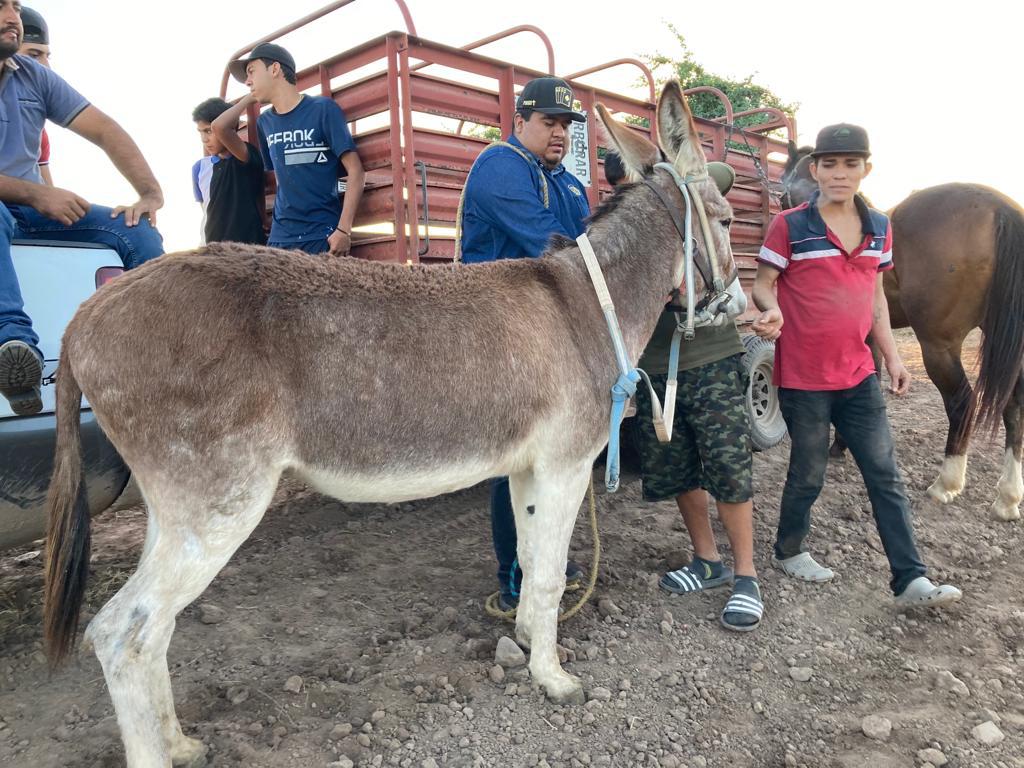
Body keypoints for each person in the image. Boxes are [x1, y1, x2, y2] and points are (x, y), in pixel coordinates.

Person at [751, 122, 961, 608]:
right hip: (804, 377)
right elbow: (764, 283)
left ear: (866, 169)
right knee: (809, 470)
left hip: (858, 374)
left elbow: (876, 300)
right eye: (830, 164)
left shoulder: (880, 227)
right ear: (815, 169)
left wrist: (891, 355)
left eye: (850, 164)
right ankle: (789, 549)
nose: (839, 173)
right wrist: (772, 307)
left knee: (884, 474)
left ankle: (910, 579)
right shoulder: (791, 226)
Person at [609, 152, 764, 631]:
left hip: (713, 361)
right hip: (656, 369)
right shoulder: (624, 238)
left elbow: (721, 176)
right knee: (678, 470)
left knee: (728, 466)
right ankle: (706, 561)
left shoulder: (689, 211)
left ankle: (746, 576)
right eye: (624, 187)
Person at [459, 76, 592, 610]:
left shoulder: (566, 182)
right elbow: (560, 249)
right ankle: (516, 574)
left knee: (551, 452)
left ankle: (543, 557)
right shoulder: (500, 166)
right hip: (495, 329)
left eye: (565, 125)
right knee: (516, 454)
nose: (558, 133)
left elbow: (590, 245)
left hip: (544, 331)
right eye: (548, 122)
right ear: (519, 123)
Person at [0, 0, 164, 417]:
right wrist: (37, 193)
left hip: (26, 213)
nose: (11, 17)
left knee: (134, 230)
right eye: (0, 6)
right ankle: (13, 349)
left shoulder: (33, 77)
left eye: (14, 6)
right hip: (14, 206)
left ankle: (159, 358)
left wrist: (148, 193)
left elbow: (105, 130)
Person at [219, 42, 364, 256]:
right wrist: (251, 96)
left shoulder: (322, 110)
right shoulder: (264, 122)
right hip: (279, 238)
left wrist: (344, 230)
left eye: (251, 72)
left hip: (320, 235)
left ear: (275, 69)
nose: (248, 81)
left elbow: (356, 172)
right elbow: (280, 179)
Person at [191, 97, 266, 246]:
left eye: (208, 131)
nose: (204, 139)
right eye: (201, 132)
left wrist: (249, 98)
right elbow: (207, 213)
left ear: (231, 127)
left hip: (248, 252)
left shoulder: (245, 157)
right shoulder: (199, 168)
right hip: (211, 251)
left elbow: (220, 126)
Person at [18, 6, 51, 186]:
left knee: (131, 216)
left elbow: (50, 197)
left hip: (22, 206)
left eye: (47, 57)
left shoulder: (36, 129)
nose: (46, 67)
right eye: (34, 55)